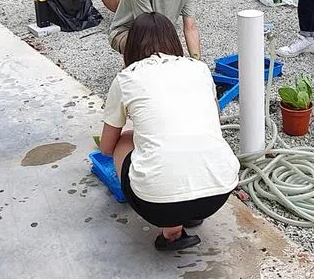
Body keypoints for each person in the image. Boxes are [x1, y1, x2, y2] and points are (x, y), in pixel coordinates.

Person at [99, 13, 240, 251]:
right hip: (218, 193)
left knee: (124, 140)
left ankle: (172, 230)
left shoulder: (126, 78)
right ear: (174, 41)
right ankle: (192, 215)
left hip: (157, 204)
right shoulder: (199, 69)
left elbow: (105, 147)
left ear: (131, 46)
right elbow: (214, 122)